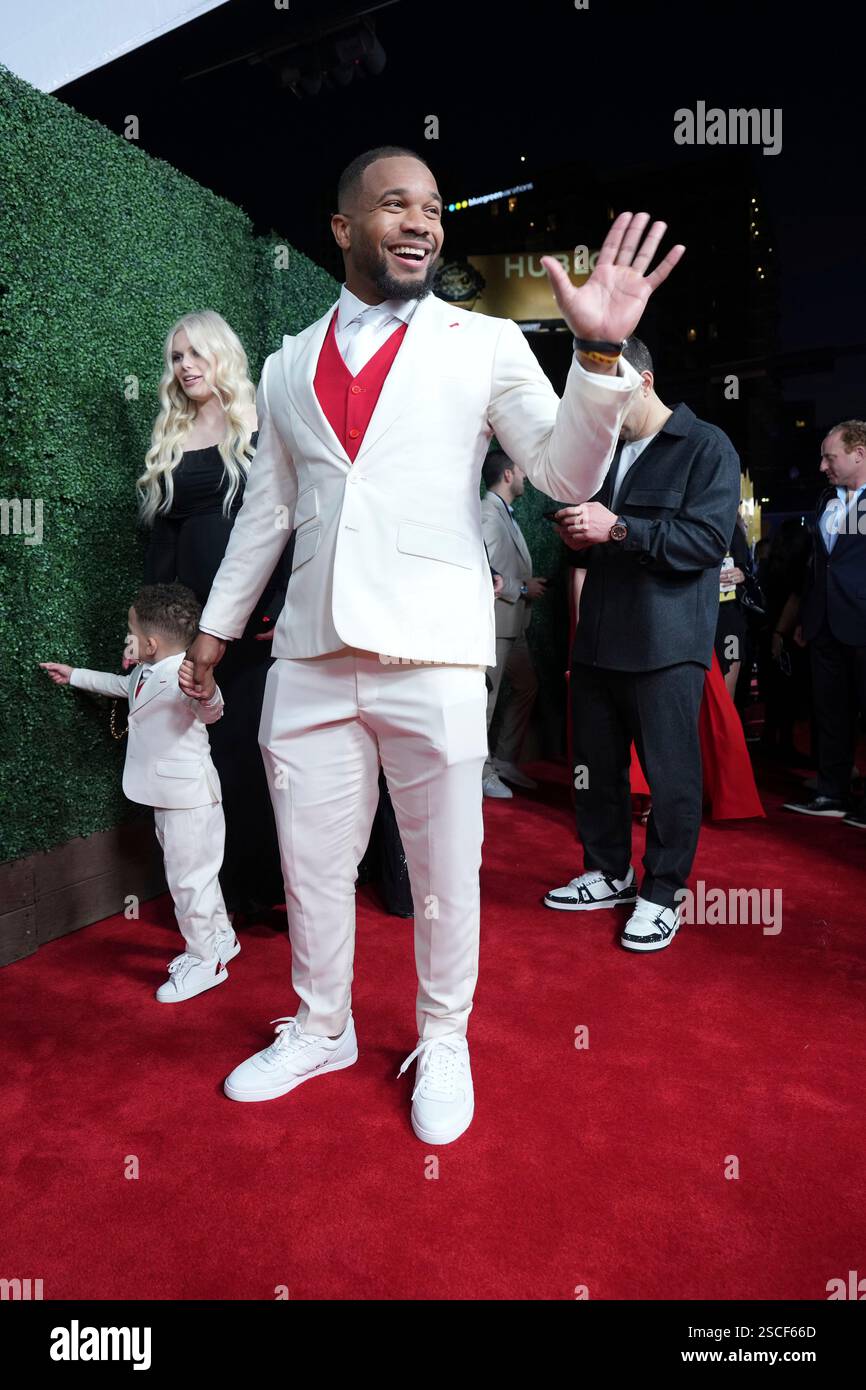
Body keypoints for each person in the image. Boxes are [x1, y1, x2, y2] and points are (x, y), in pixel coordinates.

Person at [185, 146, 683, 1143]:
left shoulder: (484, 342)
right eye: (393, 205)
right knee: (312, 866)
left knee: (446, 869)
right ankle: (319, 1026)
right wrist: (211, 633)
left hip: (437, 654)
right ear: (341, 227)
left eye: (430, 209)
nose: (420, 223)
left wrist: (594, 360)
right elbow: (269, 513)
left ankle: (443, 1036)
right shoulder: (284, 363)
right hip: (311, 658)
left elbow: (559, 474)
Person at [545, 336, 740, 952]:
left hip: (666, 642)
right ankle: (609, 872)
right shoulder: (604, 454)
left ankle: (662, 893)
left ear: (645, 382)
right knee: (595, 771)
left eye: (610, 394)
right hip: (599, 638)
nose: (599, 410)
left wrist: (620, 527)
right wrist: (577, 535)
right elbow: (594, 535)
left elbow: (707, 544)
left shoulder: (706, 445)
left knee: (670, 775)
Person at [137, 310, 291, 923]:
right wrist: (148, 630)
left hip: (255, 622)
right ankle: (219, 892)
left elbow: (290, 524)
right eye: (176, 357)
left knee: (255, 751)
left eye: (196, 354)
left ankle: (268, 887)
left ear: (222, 355)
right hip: (187, 622)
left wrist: (279, 605)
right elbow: (163, 547)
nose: (186, 366)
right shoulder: (171, 434)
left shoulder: (260, 422)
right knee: (206, 755)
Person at [39, 584, 240, 1001]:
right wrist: (74, 675)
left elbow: (211, 708)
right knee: (198, 876)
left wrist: (208, 690)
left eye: (129, 632)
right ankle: (222, 937)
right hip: (168, 797)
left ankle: (205, 962)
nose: (126, 639)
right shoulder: (146, 673)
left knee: (188, 882)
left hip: (190, 799)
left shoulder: (186, 676)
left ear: (150, 642)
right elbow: (121, 685)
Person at [784, 420, 866, 825]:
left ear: (859, 454)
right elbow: (819, 564)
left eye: (829, 457)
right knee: (830, 711)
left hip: (862, 620)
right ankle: (832, 792)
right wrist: (804, 614)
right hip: (824, 623)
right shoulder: (824, 501)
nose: (821, 466)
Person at [480, 447, 544, 799]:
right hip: (496, 622)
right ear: (507, 474)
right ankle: (480, 771)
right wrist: (522, 588)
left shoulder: (504, 512)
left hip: (513, 623)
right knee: (485, 698)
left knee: (527, 685)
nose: (525, 476)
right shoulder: (488, 513)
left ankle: (503, 759)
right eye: (520, 469)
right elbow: (484, 569)